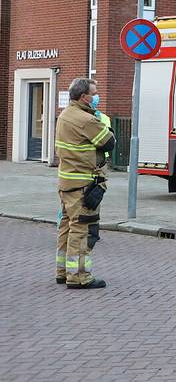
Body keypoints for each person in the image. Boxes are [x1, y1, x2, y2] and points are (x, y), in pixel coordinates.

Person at [54, 78, 114, 289]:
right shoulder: (86, 120)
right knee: (82, 229)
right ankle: (79, 276)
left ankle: (62, 271)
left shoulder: (65, 115)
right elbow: (109, 142)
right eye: (94, 93)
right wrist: (102, 122)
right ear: (83, 96)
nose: (96, 97)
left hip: (66, 181)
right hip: (83, 183)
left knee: (66, 227)